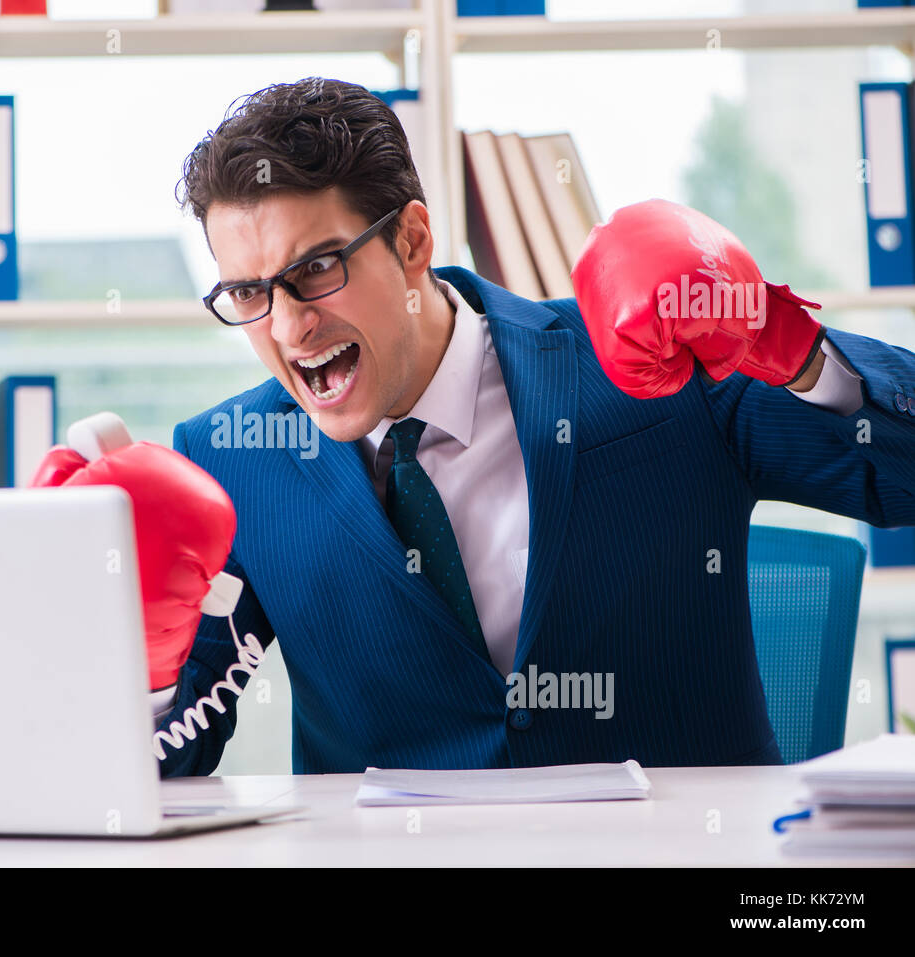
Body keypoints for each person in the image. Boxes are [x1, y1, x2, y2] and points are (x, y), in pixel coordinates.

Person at [145, 76, 915, 776]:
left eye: (315, 269)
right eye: (247, 292)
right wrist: (130, 639)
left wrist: (782, 346)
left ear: (412, 241)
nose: (287, 327)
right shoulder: (232, 461)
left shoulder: (654, 360)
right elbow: (173, 752)